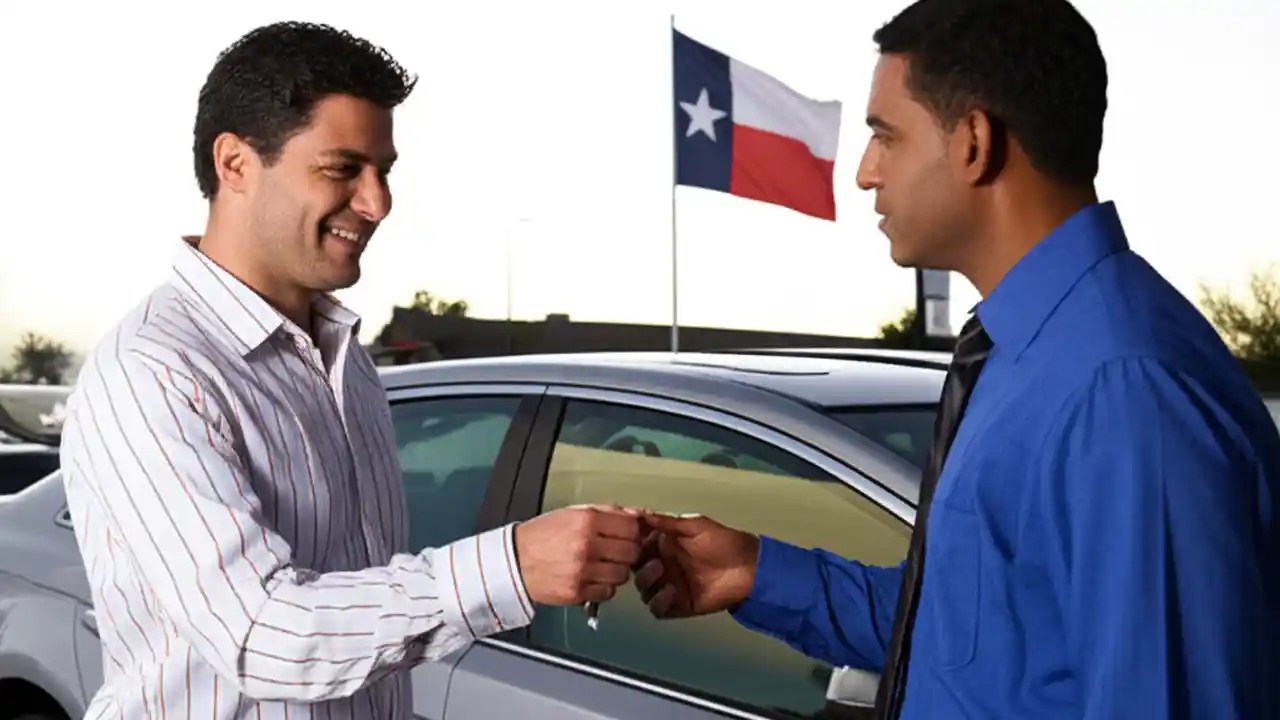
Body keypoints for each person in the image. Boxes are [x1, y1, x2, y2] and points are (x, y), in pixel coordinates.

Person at [634, 1, 1280, 718]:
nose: (864, 173)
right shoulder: (1019, 354)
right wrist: (756, 574)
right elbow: (958, 631)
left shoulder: (1124, 392)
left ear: (973, 142)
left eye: (886, 136)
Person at [58, 22, 644, 719]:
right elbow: (261, 636)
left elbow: (363, 617)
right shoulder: (153, 372)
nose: (378, 204)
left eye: (383, 171)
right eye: (342, 169)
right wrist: (508, 567)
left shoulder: (345, 361)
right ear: (235, 164)